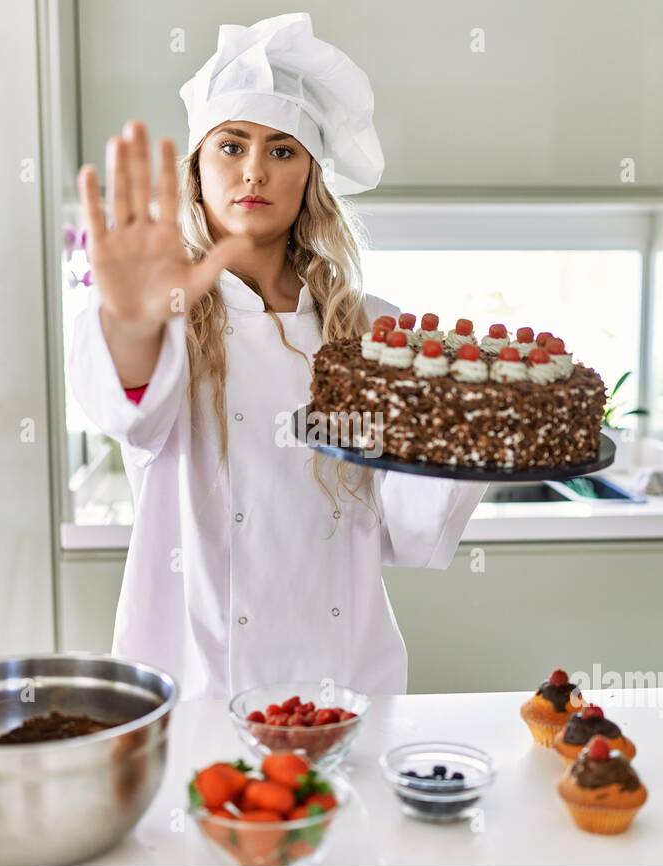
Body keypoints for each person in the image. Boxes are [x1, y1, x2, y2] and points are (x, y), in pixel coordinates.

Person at [67, 12, 487, 700]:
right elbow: (132, 414)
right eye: (230, 146)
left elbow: (408, 527)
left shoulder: (371, 329)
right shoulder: (163, 308)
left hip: (347, 684)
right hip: (201, 685)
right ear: (196, 171)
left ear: (310, 179)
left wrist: (471, 428)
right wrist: (133, 319)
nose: (254, 169)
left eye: (282, 151)